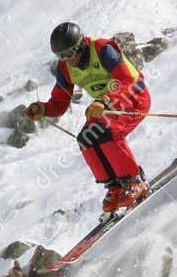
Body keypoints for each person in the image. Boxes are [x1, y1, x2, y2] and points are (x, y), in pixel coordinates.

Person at [26, 21, 151, 212]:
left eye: (70, 53)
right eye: (61, 56)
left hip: (132, 97)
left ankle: (133, 181)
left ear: (81, 44)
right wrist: (43, 109)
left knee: (107, 131)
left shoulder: (102, 50)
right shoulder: (66, 67)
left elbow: (126, 80)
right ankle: (115, 186)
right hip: (105, 107)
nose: (68, 59)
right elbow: (59, 103)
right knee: (86, 138)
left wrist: (106, 99)